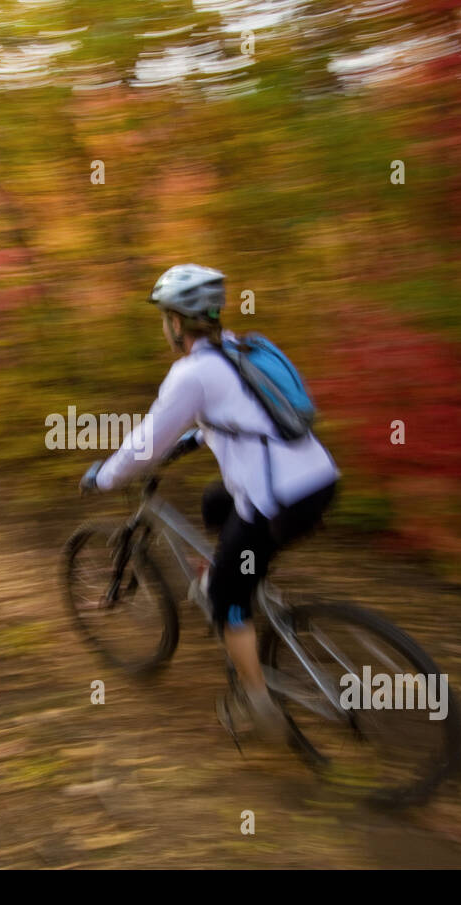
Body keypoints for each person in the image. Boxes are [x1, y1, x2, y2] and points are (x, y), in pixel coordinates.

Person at [79, 263, 340, 743]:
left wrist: (105, 477)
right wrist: (201, 435)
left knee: (224, 600)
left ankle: (256, 699)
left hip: (278, 501)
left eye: (165, 318)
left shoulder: (191, 373)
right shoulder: (244, 348)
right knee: (214, 502)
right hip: (319, 480)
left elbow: (143, 448)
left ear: (177, 322)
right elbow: (257, 411)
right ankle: (242, 573)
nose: (165, 328)